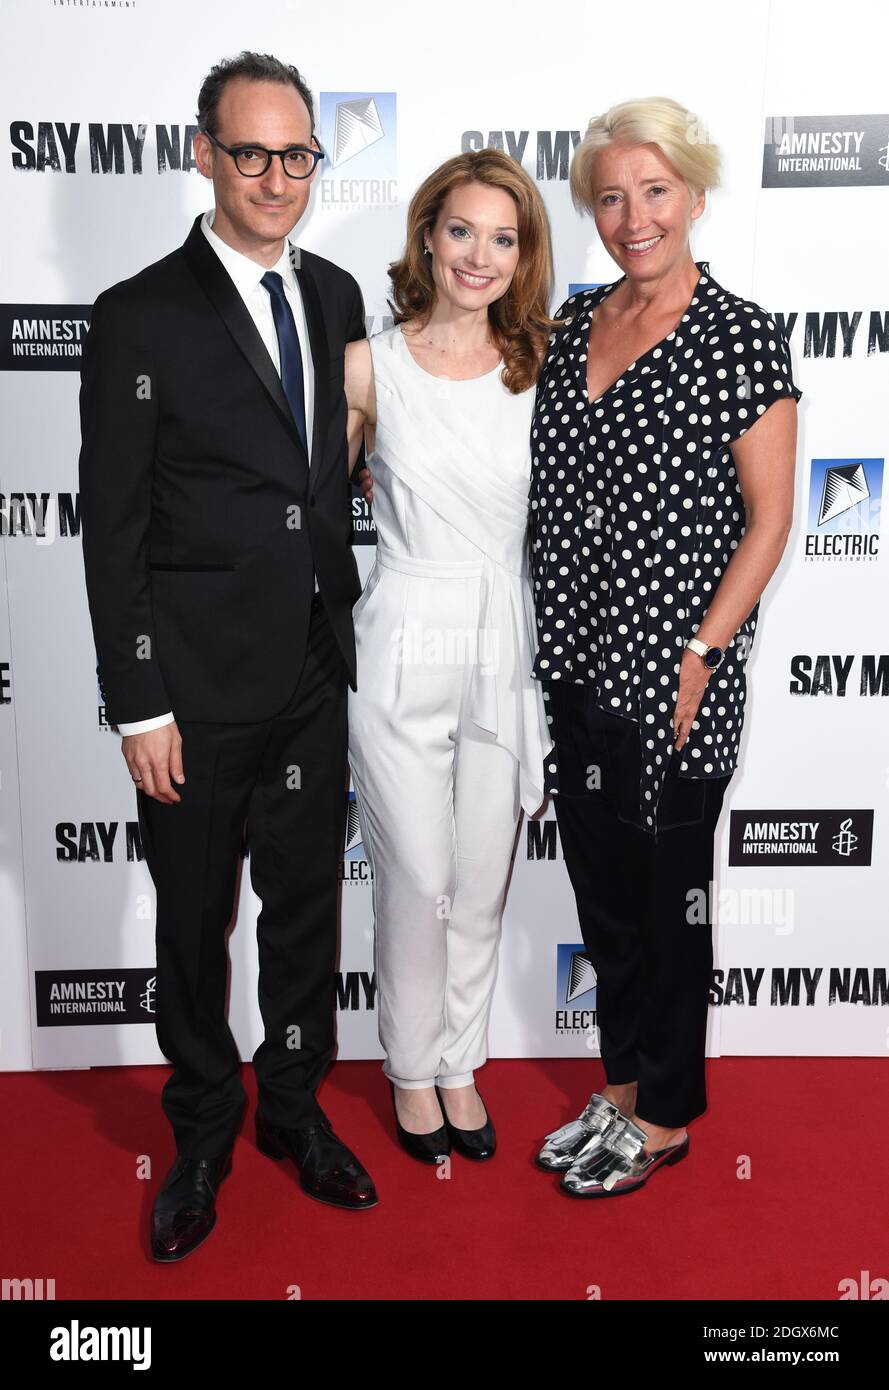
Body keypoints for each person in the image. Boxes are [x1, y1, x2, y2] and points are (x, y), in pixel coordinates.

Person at [78, 52, 378, 1263]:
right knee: (193, 919)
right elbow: (113, 523)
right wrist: (136, 699)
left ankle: (294, 1106)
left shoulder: (337, 294)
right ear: (204, 153)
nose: (275, 176)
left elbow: (333, 464)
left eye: (296, 153)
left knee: (305, 907)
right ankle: (202, 1128)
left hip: (312, 662)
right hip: (192, 687)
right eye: (249, 151)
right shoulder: (138, 314)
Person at [530, 97, 802, 1196]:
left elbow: (770, 519)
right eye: (610, 197)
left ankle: (667, 1115)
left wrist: (700, 651)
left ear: (692, 193)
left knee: (668, 897)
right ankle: (621, 1088)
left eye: (653, 190)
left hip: (678, 672)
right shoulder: (572, 325)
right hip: (577, 658)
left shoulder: (737, 334)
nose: (632, 216)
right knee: (603, 893)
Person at [345, 151, 555, 1163]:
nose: (479, 255)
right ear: (427, 236)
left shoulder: (540, 366)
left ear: (523, 256)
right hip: (401, 631)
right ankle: (408, 1066)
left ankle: (459, 1062)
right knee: (417, 874)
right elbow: (298, 497)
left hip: (500, 636)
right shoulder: (367, 364)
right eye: (461, 230)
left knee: (478, 879)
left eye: (502, 238)